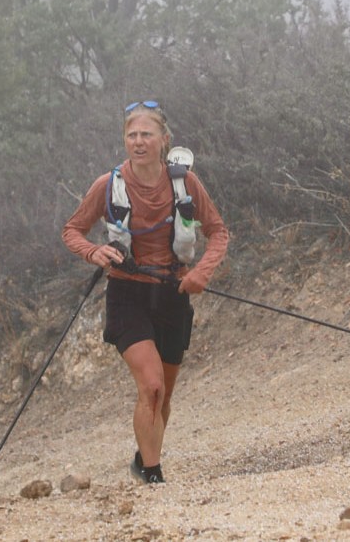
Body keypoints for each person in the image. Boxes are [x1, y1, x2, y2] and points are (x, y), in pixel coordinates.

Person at [62, 100, 229, 484]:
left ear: (164, 140)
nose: (138, 142)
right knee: (150, 385)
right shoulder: (108, 185)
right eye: (131, 135)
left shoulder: (185, 183)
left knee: (164, 396)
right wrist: (94, 251)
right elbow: (72, 230)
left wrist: (201, 272)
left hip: (173, 292)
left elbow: (217, 231)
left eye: (146, 135)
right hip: (128, 294)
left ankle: (143, 458)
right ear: (125, 140)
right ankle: (153, 477)